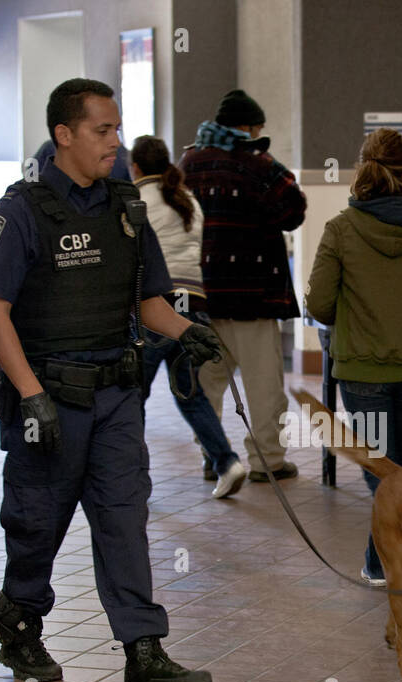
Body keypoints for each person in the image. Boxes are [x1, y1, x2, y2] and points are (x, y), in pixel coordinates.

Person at [0, 78, 221, 682]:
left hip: (115, 397)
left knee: (123, 519)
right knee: (37, 523)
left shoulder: (126, 209)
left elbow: (150, 302)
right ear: (65, 135)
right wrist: (29, 393)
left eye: (117, 129)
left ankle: (143, 652)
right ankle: (20, 621)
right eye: (101, 131)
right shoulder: (18, 213)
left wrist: (188, 331)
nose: (116, 142)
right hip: (48, 398)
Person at [304, 128, 402, 587]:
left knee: (384, 469)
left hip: (364, 372)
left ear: (361, 170)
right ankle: (379, 564)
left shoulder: (340, 231)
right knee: (392, 464)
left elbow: (318, 305)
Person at [180, 88, 307, 483]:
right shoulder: (259, 164)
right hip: (253, 293)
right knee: (263, 383)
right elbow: (294, 211)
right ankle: (267, 460)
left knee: (209, 380)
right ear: (248, 127)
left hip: (202, 293)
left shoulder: (188, 162)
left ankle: (214, 456)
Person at [130, 134, 248, 498]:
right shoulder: (188, 201)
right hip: (192, 307)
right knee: (191, 394)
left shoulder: (135, 202)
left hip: (156, 308)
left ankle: (134, 478)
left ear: (134, 166)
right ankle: (227, 462)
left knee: (133, 396)